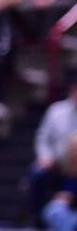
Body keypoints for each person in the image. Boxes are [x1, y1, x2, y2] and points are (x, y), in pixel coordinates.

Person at [31, 80, 77, 221]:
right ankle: (38, 219)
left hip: (74, 165)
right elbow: (42, 138)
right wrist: (45, 156)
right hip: (55, 162)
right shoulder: (56, 111)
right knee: (37, 173)